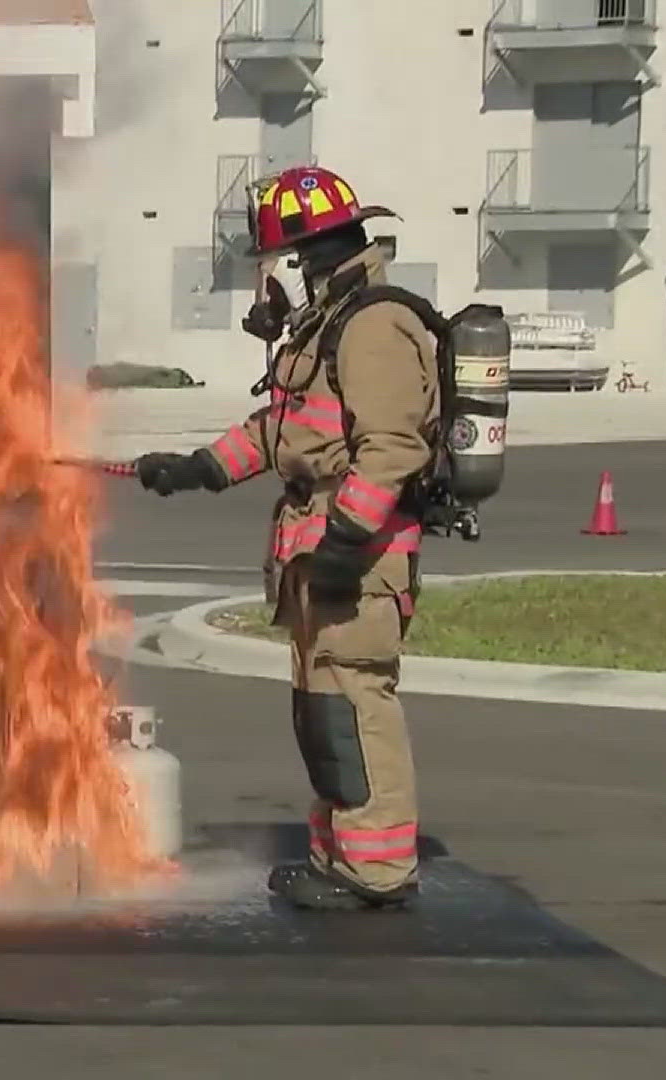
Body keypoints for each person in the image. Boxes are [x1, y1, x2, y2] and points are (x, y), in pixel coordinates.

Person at [136, 165, 439, 912]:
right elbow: (290, 429)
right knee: (322, 709)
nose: (287, 277)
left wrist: (346, 538)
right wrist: (200, 468)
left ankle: (377, 871)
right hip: (319, 549)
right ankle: (342, 855)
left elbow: (392, 449)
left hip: (356, 555)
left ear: (318, 252)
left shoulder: (373, 326)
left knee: (356, 701)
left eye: (292, 261)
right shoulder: (330, 326)